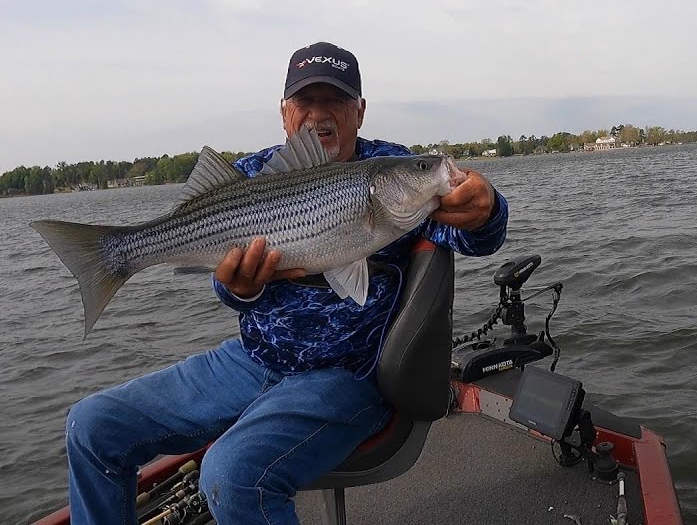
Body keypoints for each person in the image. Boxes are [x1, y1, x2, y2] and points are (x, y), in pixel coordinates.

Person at [64, 42, 509, 524]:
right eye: (305, 102)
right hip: (253, 359)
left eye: (336, 102)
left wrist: (487, 209)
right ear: (284, 113)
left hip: (349, 376)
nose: (319, 116)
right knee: (92, 427)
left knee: (231, 473)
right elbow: (227, 286)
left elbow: (477, 237)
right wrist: (239, 289)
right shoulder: (252, 174)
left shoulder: (398, 171)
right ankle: (114, 256)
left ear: (359, 112)